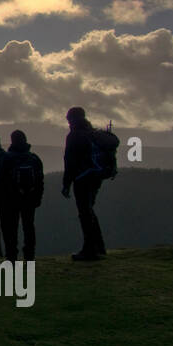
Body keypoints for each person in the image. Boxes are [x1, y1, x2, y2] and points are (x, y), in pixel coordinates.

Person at [61, 106, 107, 261]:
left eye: (68, 119)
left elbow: (69, 161)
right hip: (96, 177)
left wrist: (66, 184)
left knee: (85, 214)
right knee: (89, 211)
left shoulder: (74, 136)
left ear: (72, 119)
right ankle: (98, 247)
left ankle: (90, 250)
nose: (68, 123)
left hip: (81, 179)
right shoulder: (92, 133)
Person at [0, 130, 43, 262]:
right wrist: (37, 198)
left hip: (10, 200)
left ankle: (11, 256)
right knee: (29, 227)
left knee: (10, 228)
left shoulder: (7, 158)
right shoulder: (34, 158)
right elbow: (40, 181)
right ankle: (29, 256)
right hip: (29, 199)